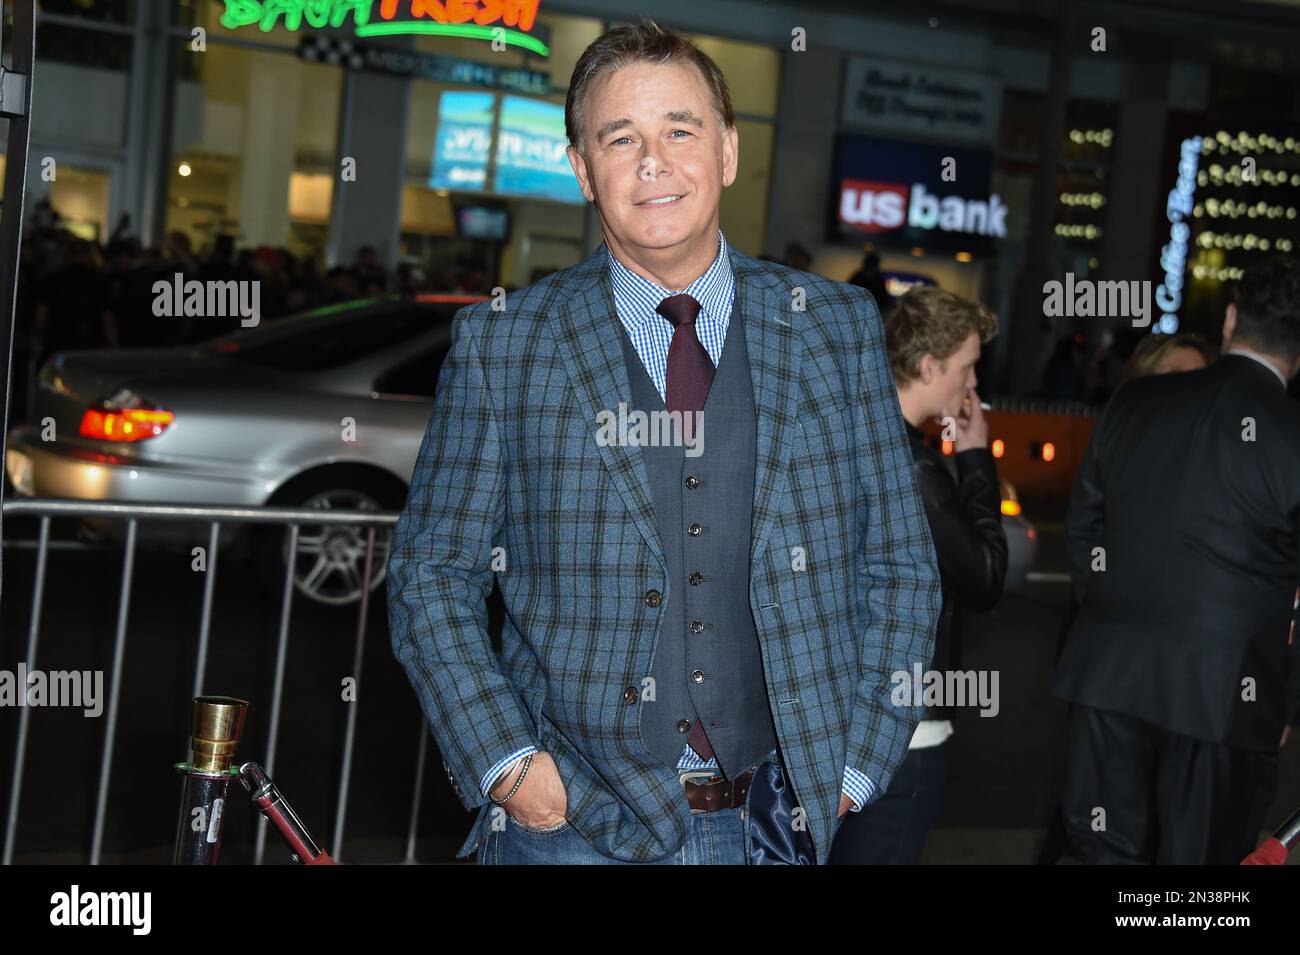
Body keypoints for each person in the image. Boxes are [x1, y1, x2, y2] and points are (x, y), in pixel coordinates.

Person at [387, 18, 941, 865]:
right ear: (582, 169)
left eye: (680, 129)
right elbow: (432, 574)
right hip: (567, 826)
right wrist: (509, 766)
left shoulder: (832, 327)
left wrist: (854, 763)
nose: (654, 161)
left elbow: (899, 564)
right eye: (621, 138)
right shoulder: (506, 343)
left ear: (726, 150)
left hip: (777, 817)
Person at [1054, 257, 1300, 864]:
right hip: (1224, 696)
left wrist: (1112, 608)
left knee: (1103, 855)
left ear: (1231, 319)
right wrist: (1284, 698)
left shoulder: (1137, 401)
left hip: (1109, 676)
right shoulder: (1289, 432)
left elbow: (1085, 527)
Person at [831, 287, 1007, 864]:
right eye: (967, 367)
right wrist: (976, 456)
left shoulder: (844, 436)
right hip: (902, 731)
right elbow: (984, 575)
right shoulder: (913, 467)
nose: (972, 385)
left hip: (832, 713)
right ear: (930, 366)